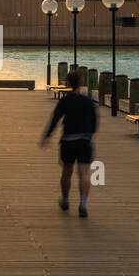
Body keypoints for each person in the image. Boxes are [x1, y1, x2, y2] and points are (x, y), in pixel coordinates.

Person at [40, 69, 99, 217]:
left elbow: (55, 119)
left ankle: (65, 200)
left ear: (67, 83)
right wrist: (89, 135)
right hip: (84, 140)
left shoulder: (64, 101)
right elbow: (95, 122)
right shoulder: (88, 101)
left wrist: (47, 136)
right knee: (84, 173)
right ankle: (83, 204)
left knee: (67, 171)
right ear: (80, 83)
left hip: (68, 141)